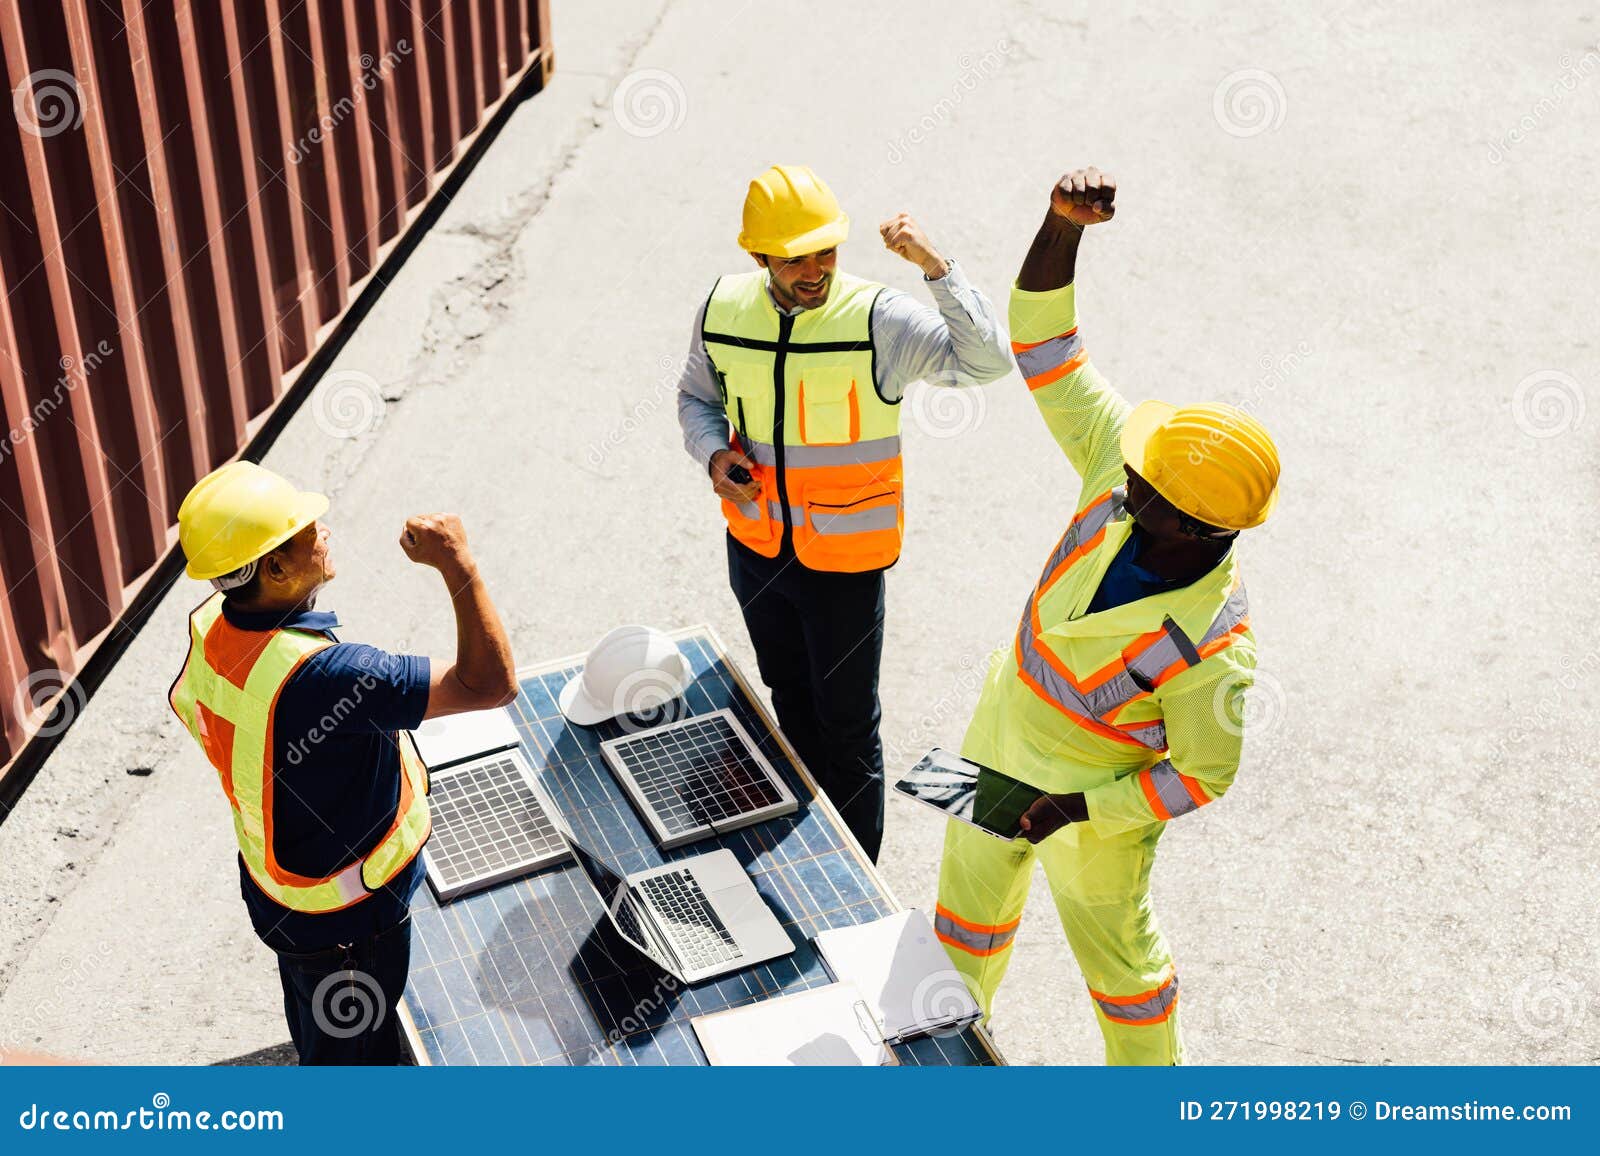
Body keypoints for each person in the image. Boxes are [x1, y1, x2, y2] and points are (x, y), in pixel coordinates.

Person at [933, 168, 1281, 1064]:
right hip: (999, 743)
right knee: (959, 935)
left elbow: (1203, 776)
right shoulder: (1122, 478)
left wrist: (1085, 808)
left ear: (1193, 523)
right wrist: (1062, 227)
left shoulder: (1216, 649)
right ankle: (934, 1068)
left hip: (1091, 816)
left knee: (1123, 978)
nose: (1124, 470)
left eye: (1144, 482)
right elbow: (1047, 349)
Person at [676, 164, 1011, 860]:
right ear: (759, 256)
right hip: (759, 552)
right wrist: (714, 457)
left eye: (825, 252)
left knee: (848, 727)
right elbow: (695, 397)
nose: (814, 270)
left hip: (845, 568)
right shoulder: (724, 309)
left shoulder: (874, 319)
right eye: (796, 257)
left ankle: (859, 882)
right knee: (788, 702)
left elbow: (986, 362)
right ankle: (806, 852)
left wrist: (935, 266)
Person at [168, 462, 516, 1064]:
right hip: (348, 922)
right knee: (355, 1063)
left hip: (280, 893)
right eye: (307, 529)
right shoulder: (334, 675)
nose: (324, 530)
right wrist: (459, 563)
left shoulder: (215, 627)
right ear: (273, 568)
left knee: (316, 1020)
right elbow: (489, 686)